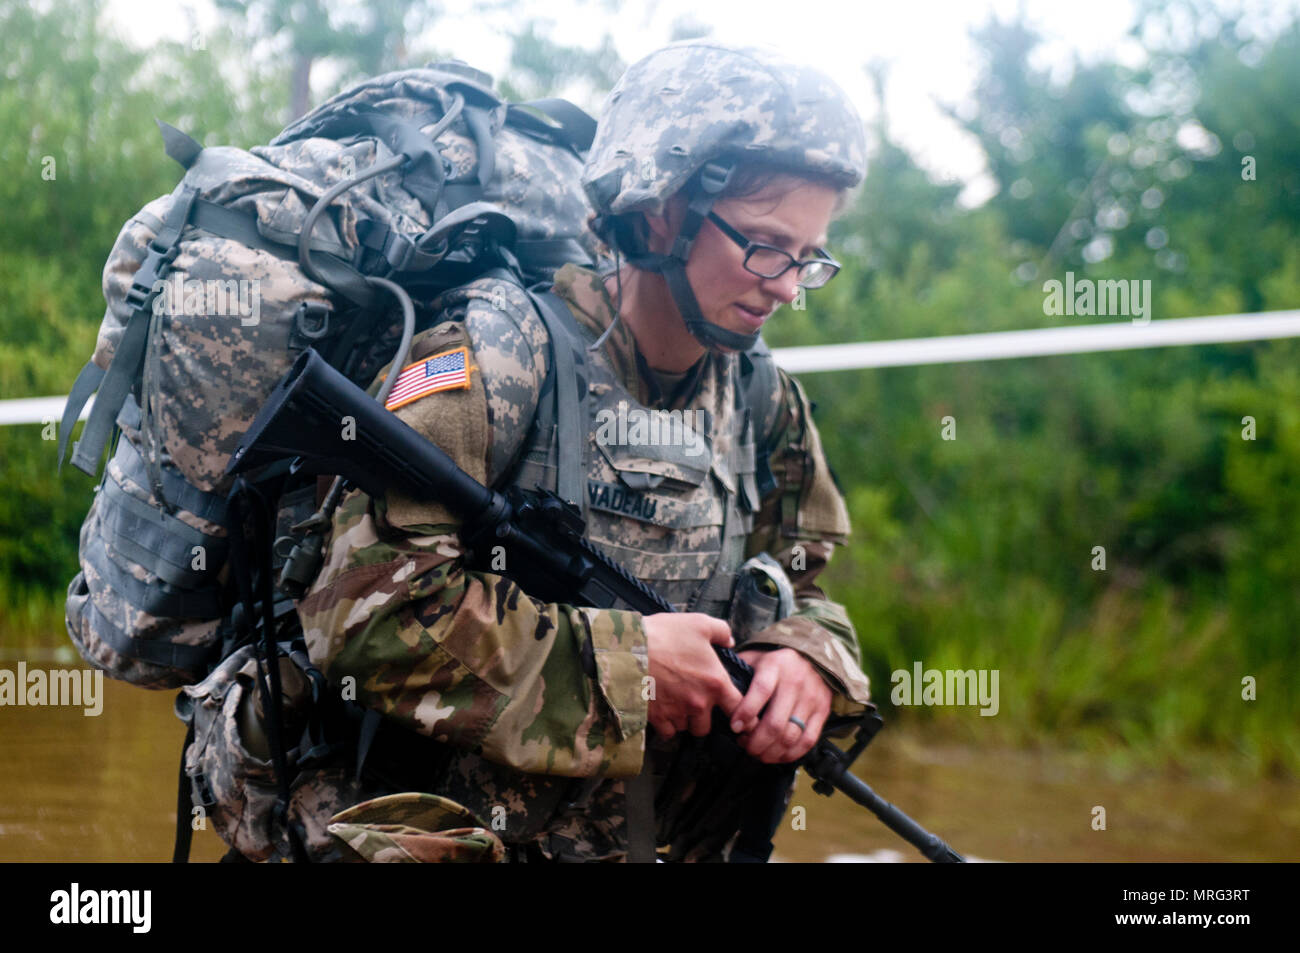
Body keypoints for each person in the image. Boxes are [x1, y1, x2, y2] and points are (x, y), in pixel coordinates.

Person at [297, 39, 873, 862]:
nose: (786, 286)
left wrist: (805, 657)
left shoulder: (760, 398)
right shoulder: (494, 355)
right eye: (765, 244)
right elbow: (360, 617)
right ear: (657, 213)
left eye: (809, 260)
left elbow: (805, 587)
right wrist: (627, 669)